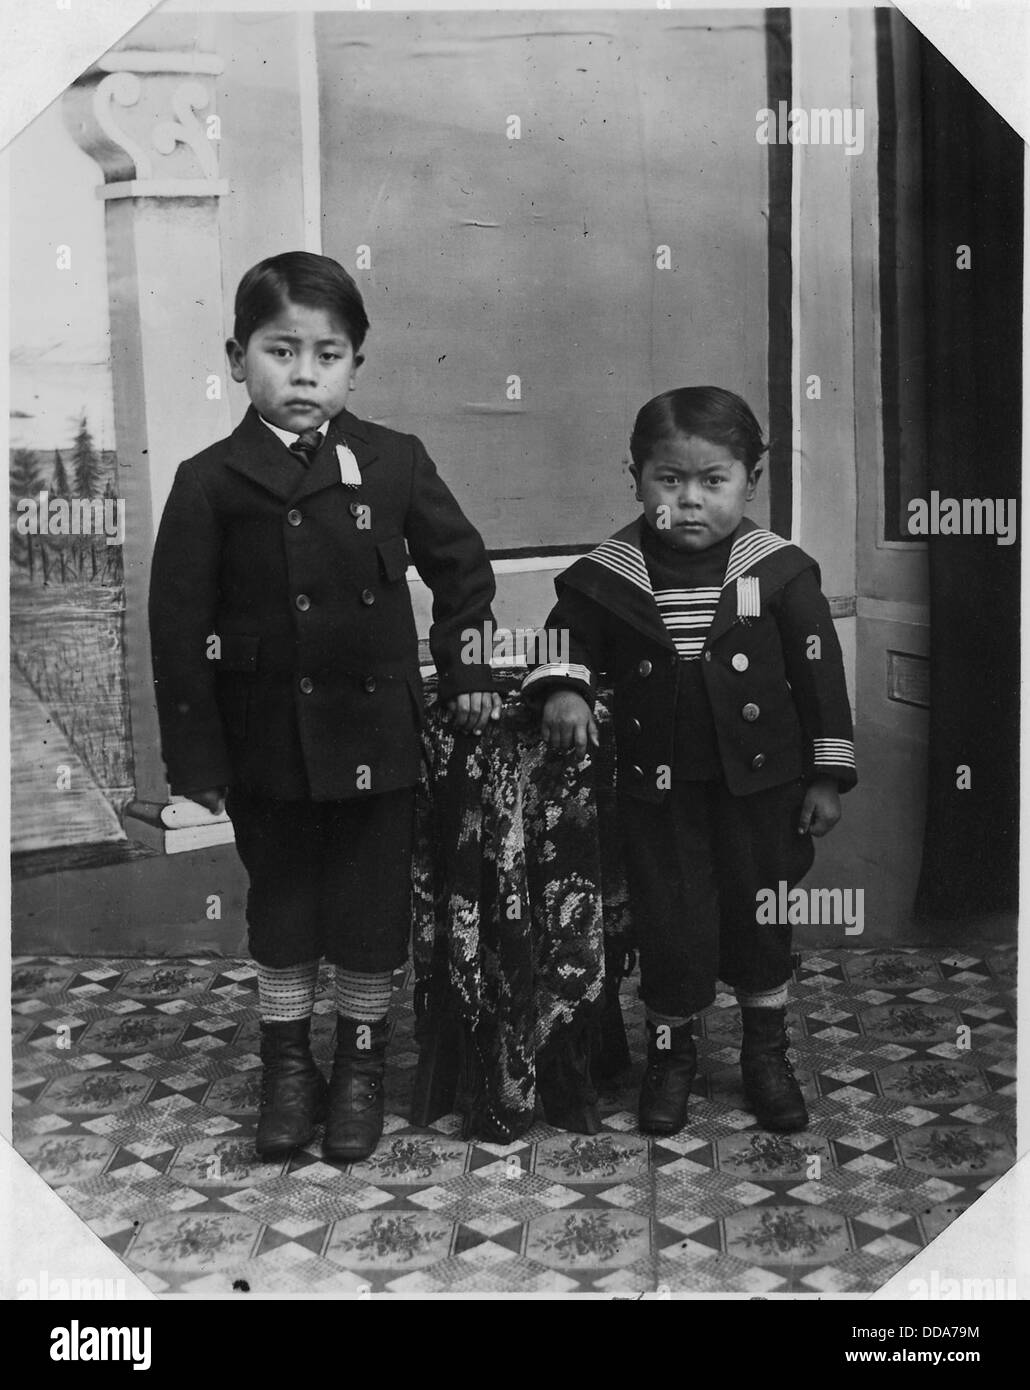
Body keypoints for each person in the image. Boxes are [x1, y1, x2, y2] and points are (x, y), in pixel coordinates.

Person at [149, 252, 500, 1163]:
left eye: (328, 354)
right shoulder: (210, 480)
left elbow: (465, 573)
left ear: (356, 364)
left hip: (378, 740)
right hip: (268, 744)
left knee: (370, 909)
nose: (304, 374)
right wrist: (198, 765)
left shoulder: (394, 461)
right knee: (285, 907)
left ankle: (360, 1068)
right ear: (237, 359)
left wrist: (467, 673)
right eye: (280, 351)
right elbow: (179, 634)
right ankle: (287, 1069)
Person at [522, 386, 856, 1134]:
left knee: (759, 918)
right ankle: (670, 1060)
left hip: (763, 790)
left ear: (751, 481)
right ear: (634, 477)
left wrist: (828, 776)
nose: (690, 500)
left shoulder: (780, 573)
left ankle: (764, 1056)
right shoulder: (607, 575)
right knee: (673, 926)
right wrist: (566, 692)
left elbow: (819, 679)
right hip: (659, 794)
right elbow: (563, 639)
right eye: (668, 480)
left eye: (714, 481)